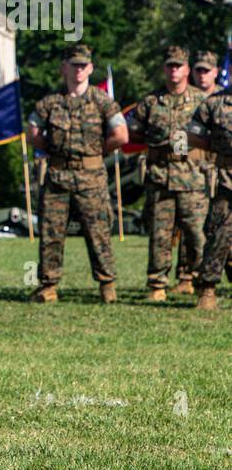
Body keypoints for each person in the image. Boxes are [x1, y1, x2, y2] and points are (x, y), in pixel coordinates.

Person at [28, 44, 129, 304]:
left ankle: (107, 285)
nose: (79, 69)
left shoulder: (102, 101)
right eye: (74, 65)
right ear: (65, 68)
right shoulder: (50, 103)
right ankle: (48, 285)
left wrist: (96, 153)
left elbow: (121, 135)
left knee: (98, 232)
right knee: (51, 232)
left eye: (84, 65)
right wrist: (54, 151)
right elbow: (33, 134)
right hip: (58, 175)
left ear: (91, 69)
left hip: (91, 177)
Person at [129, 46, 207, 300]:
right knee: (160, 233)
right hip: (160, 175)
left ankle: (192, 277)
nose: (174, 70)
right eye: (170, 66)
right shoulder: (151, 101)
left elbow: (213, 132)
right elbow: (132, 132)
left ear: (187, 69)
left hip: (192, 176)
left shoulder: (200, 100)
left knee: (196, 232)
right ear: (164, 69)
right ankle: (157, 284)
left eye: (179, 66)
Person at [187, 74, 232, 310]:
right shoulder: (214, 103)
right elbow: (192, 135)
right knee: (217, 232)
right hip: (226, 177)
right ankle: (208, 290)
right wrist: (217, 148)